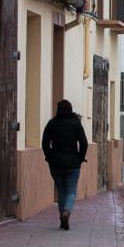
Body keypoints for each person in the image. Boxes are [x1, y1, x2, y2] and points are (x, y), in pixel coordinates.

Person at [41, 99, 88, 230]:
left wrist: (49, 157)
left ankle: (62, 217)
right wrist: (80, 158)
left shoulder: (52, 124)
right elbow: (83, 143)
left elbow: (45, 143)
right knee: (71, 191)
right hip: (73, 163)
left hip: (56, 163)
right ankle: (67, 211)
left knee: (61, 191)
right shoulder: (76, 124)